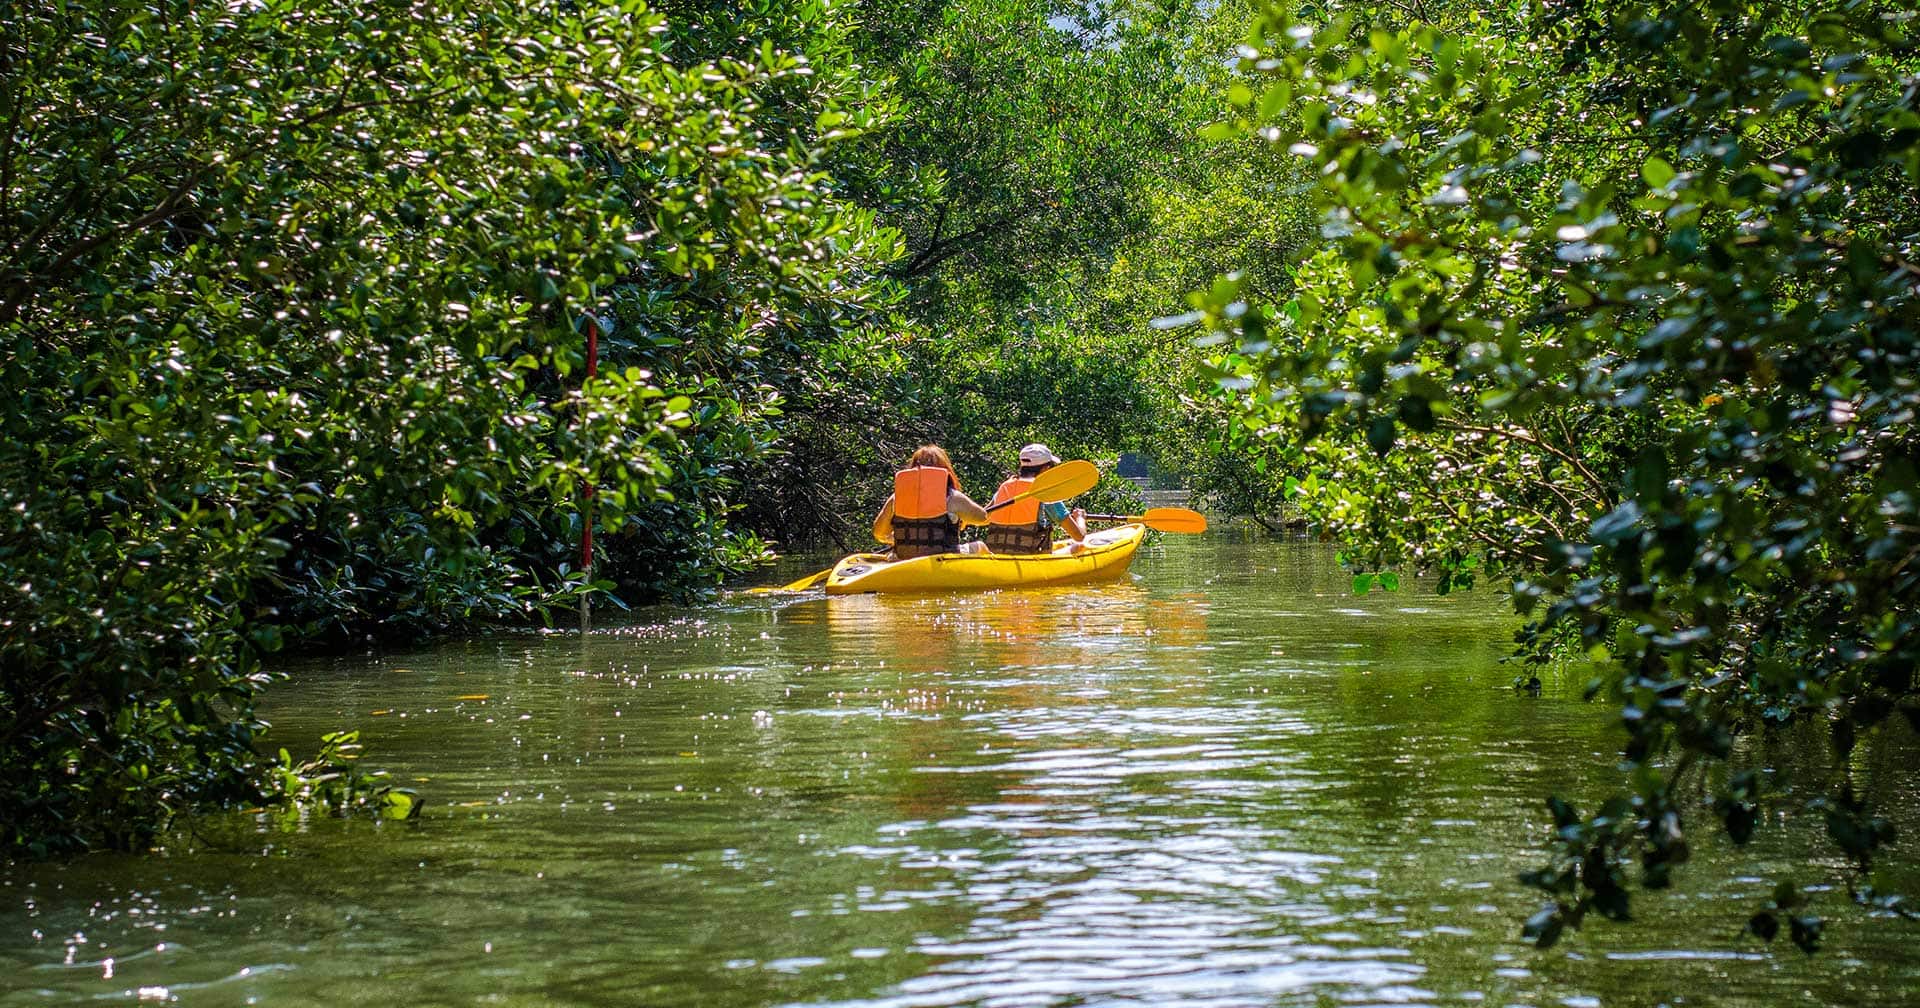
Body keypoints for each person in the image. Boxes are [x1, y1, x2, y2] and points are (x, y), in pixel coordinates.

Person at [871, 445, 989, 559]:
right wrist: (964, 519)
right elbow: (983, 518)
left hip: (903, 559)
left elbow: (879, 533)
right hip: (943, 559)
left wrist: (901, 538)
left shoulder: (896, 498)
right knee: (981, 546)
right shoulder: (952, 497)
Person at [983, 443, 1087, 554]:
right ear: (1045, 469)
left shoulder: (1004, 487)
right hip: (1031, 560)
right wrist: (1080, 518)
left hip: (998, 559)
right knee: (1079, 547)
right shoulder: (1045, 492)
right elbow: (1079, 536)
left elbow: (981, 518)